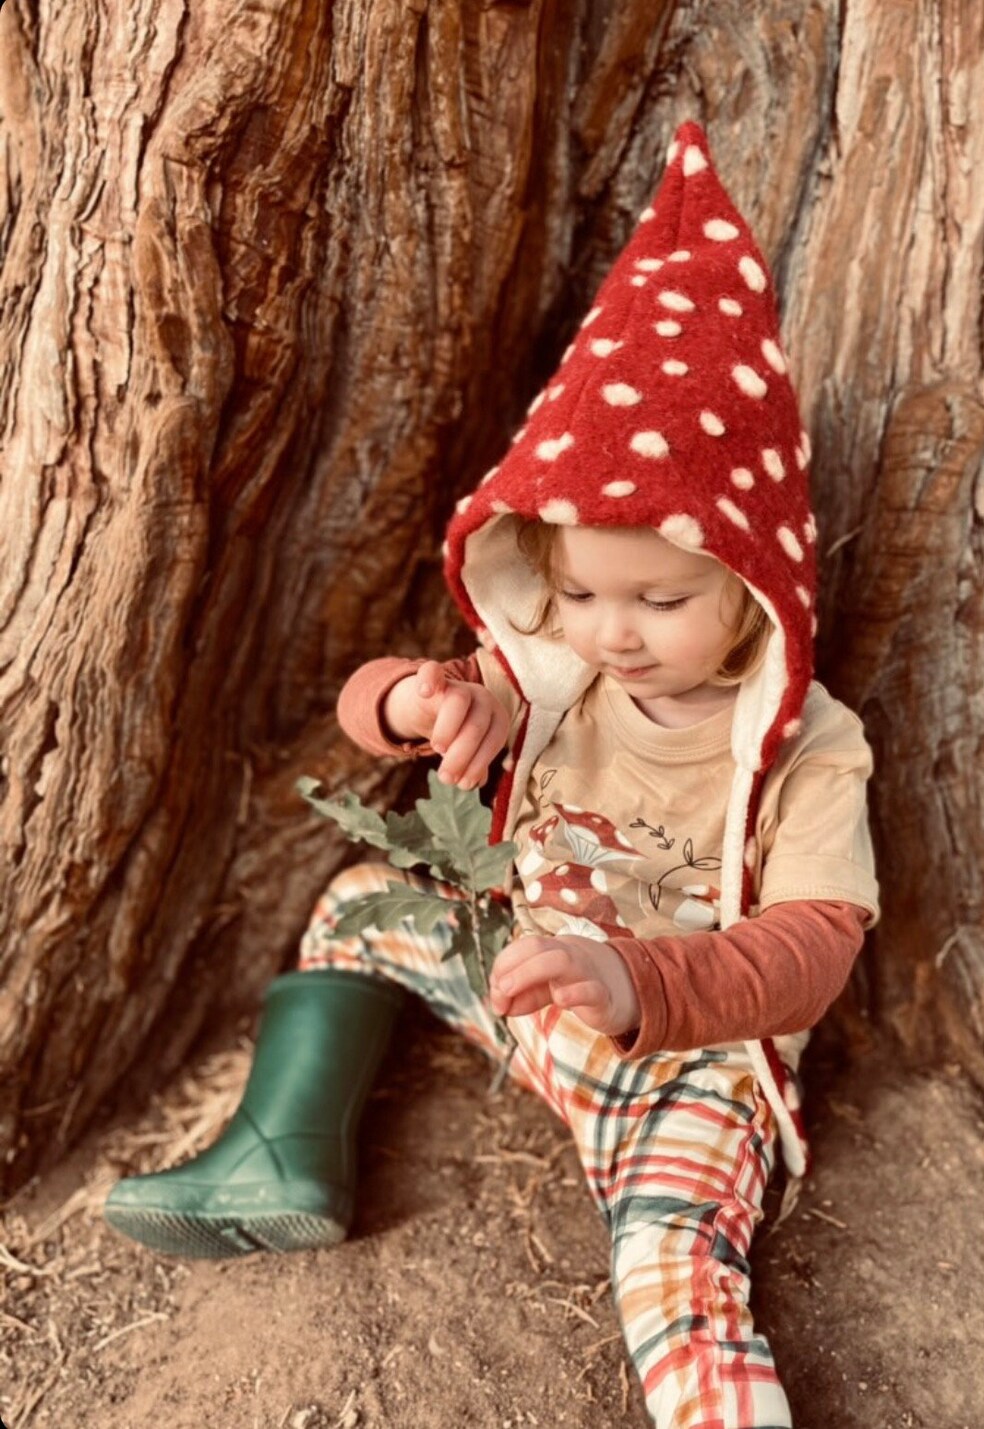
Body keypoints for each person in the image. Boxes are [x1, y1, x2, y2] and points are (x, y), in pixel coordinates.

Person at [105, 121, 880, 1428]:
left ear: (757, 592)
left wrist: (642, 981)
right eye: (579, 588)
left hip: (684, 1055)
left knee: (675, 1268)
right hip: (522, 977)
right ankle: (282, 1156)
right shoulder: (561, 669)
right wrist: (419, 700)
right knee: (357, 899)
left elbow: (815, 942)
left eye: (661, 596)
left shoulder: (806, 741)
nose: (613, 627)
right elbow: (375, 705)